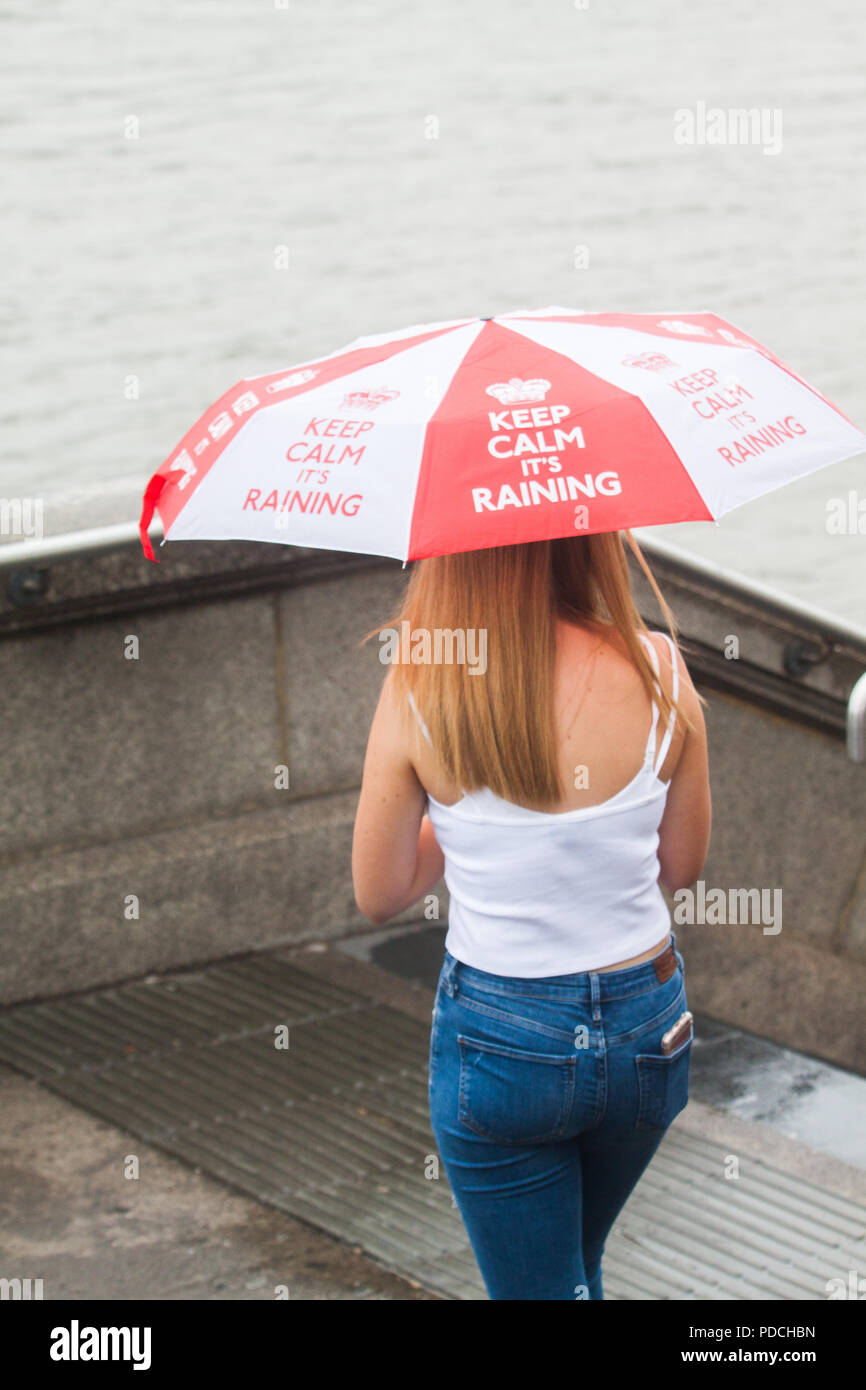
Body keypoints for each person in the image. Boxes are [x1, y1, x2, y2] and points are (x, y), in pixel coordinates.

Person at [351, 532, 711, 1300]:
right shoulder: (661, 670)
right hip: (648, 1027)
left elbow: (381, 890)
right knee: (575, 1269)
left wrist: (461, 820)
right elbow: (678, 868)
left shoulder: (423, 683)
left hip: (504, 1040)